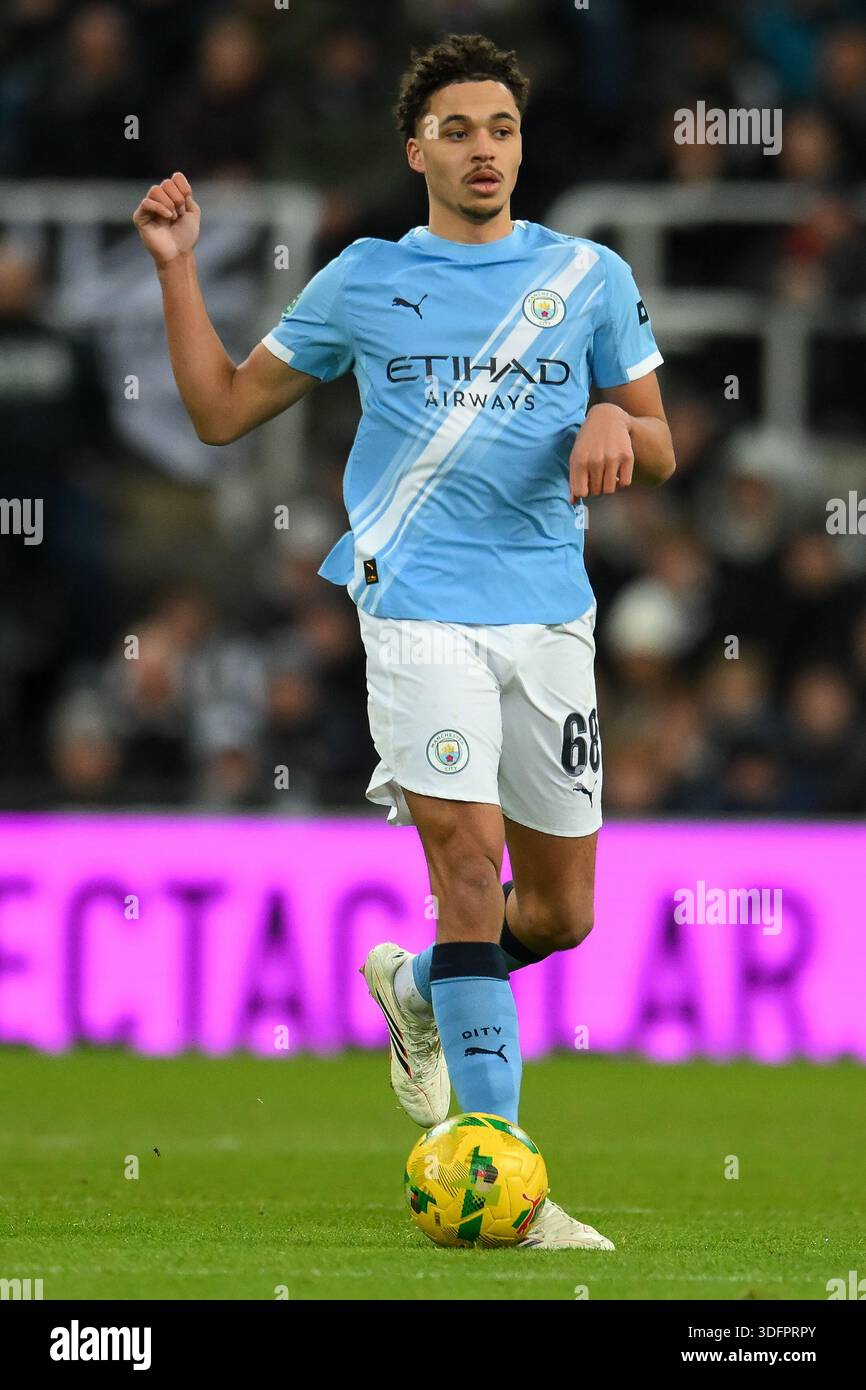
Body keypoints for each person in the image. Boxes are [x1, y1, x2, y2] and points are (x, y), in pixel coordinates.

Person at [133, 32, 676, 1250]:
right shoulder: (363, 279)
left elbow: (661, 439)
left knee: (561, 913)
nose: (484, 150)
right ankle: (507, 1180)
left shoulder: (587, 275)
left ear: (520, 145)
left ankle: (418, 984)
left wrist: (606, 413)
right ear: (414, 147)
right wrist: (176, 267)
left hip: (548, 617)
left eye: (502, 129)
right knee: (470, 870)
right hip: (415, 605)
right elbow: (221, 413)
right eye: (459, 130)